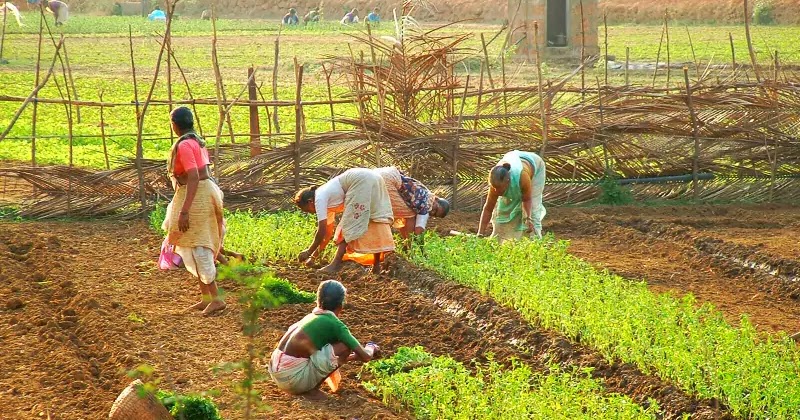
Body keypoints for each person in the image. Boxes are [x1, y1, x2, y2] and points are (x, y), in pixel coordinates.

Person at [161, 107, 227, 316]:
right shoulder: (196, 141)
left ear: (175, 125)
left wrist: (185, 211)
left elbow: (193, 176)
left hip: (196, 196)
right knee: (191, 243)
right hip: (201, 193)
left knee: (199, 246)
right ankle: (206, 297)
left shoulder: (184, 145)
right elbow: (200, 173)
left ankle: (216, 299)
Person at [268, 280, 380, 398]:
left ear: (318, 302)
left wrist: (353, 357)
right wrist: (371, 347)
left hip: (277, 372)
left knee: (327, 348)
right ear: (341, 306)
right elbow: (366, 356)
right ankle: (313, 389)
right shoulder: (335, 325)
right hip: (292, 380)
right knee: (344, 346)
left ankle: (307, 384)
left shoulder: (311, 317)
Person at [293, 168, 394, 274]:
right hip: (375, 178)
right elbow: (327, 234)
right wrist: (313, 257)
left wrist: (308, 251)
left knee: (347, 226)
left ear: (310, 202)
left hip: (361, 180)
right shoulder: (325, 197)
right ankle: (376, 266)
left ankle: (335, 265)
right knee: (373, 220)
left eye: (307, 210)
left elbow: (321, 230)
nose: (311, 213)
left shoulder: (319, 198)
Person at [477, 150, 547, 243]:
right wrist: (480, 234)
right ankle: (501, 241)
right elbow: (488, 209)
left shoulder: (522, 177)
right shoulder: (495, 184)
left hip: (535, 165)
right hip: (512, 158)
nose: (497, 191)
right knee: (501, 211)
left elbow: (526, 200)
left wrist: (528, 218)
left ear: (508, 181)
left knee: (533, 210)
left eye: (500, 188)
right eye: (495, 188)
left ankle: (534, 241)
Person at [374, 166, 450, 239]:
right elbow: (418, 231)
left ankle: (407, 244)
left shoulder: (424, 191)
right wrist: (421, 249)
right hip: (389, 181)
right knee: (410, 215)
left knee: (405, 216)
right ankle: (409, 247)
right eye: (436, 209)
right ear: (436, 198)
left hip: (379, 173)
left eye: (434, 214)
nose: (432, 211)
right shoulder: (425, 205)